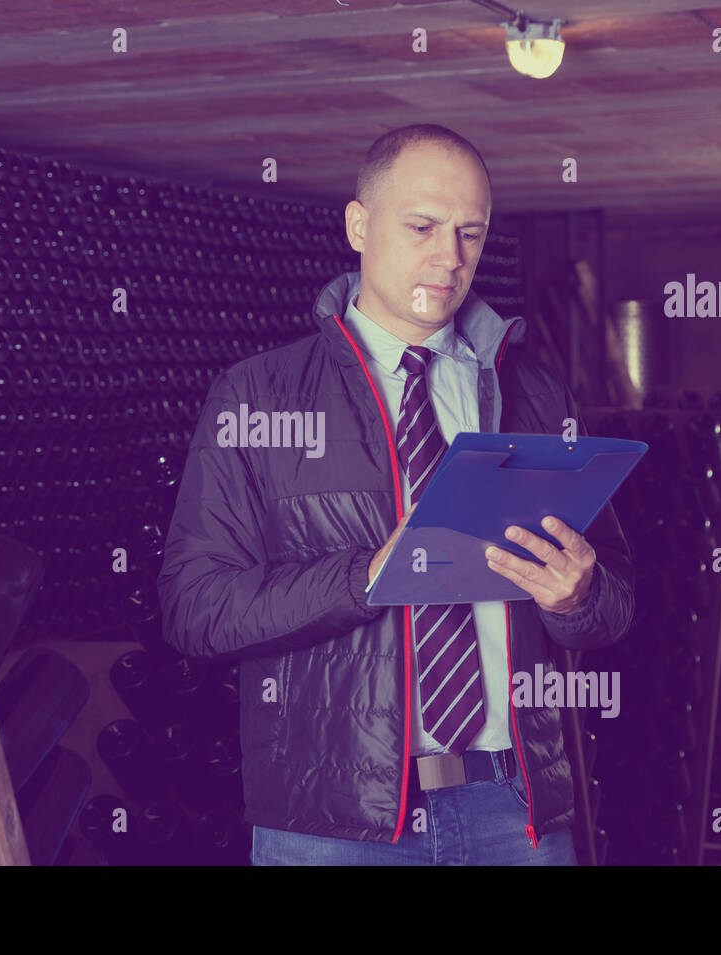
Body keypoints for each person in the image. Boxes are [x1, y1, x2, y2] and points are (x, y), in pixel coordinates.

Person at [157, 123, 634, 865]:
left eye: (470, 233)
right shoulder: (256, 395)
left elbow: (613, 603)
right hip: (333, 827)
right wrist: (364, 577)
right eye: (423, 226)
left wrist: (578, 597)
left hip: (516, 809)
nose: (450, 257)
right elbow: (195, 609)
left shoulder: (533, 391)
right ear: (358, 225)